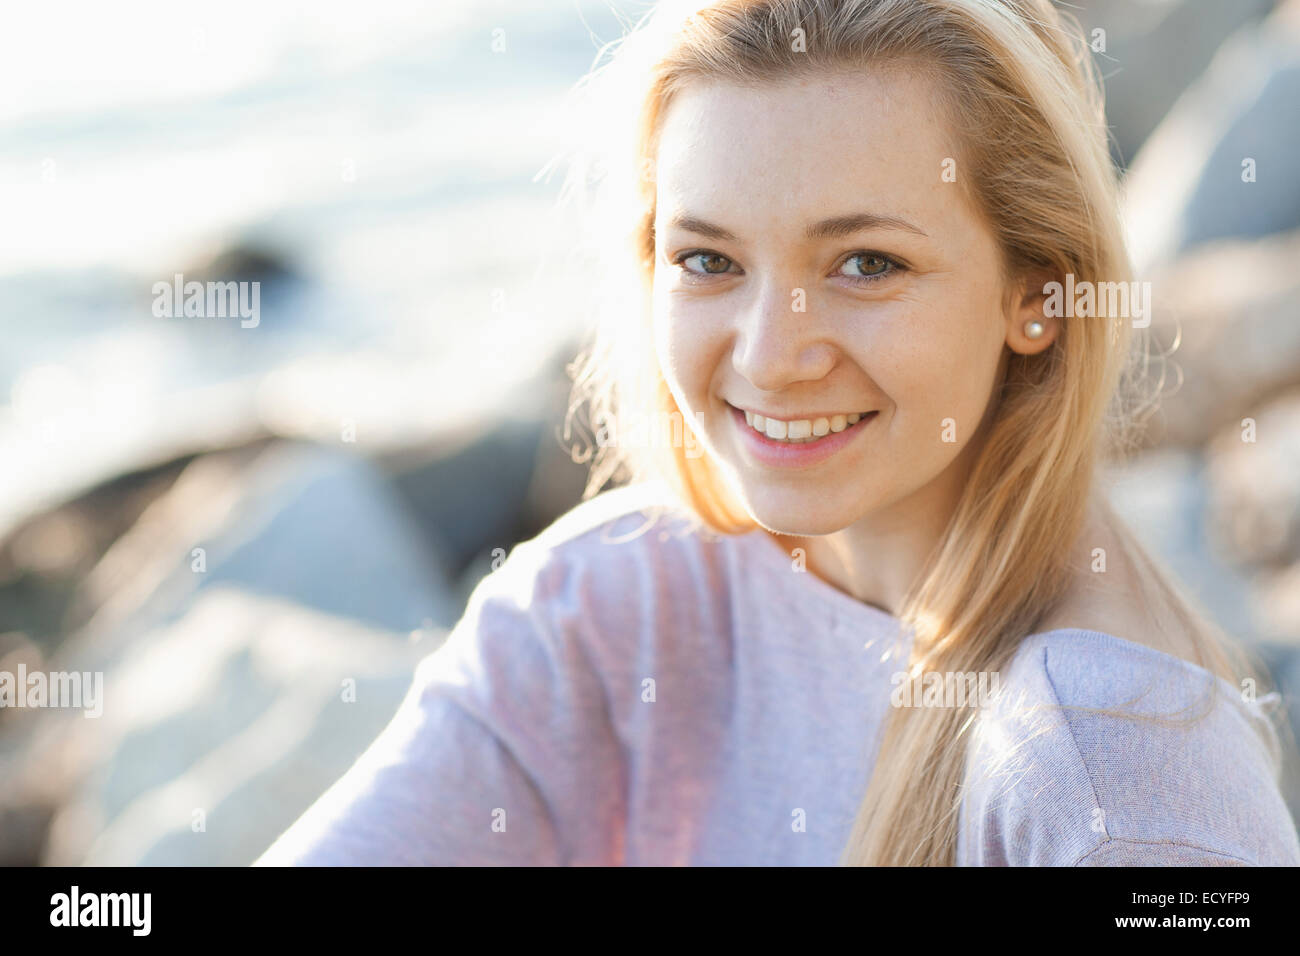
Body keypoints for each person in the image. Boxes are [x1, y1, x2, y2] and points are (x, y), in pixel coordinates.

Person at [254, 0, 1300, 866]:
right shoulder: (607, 604)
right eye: (708, 260)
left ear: (1039, 294)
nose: (767, 354)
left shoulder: (1119, 766)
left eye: (865, 264)